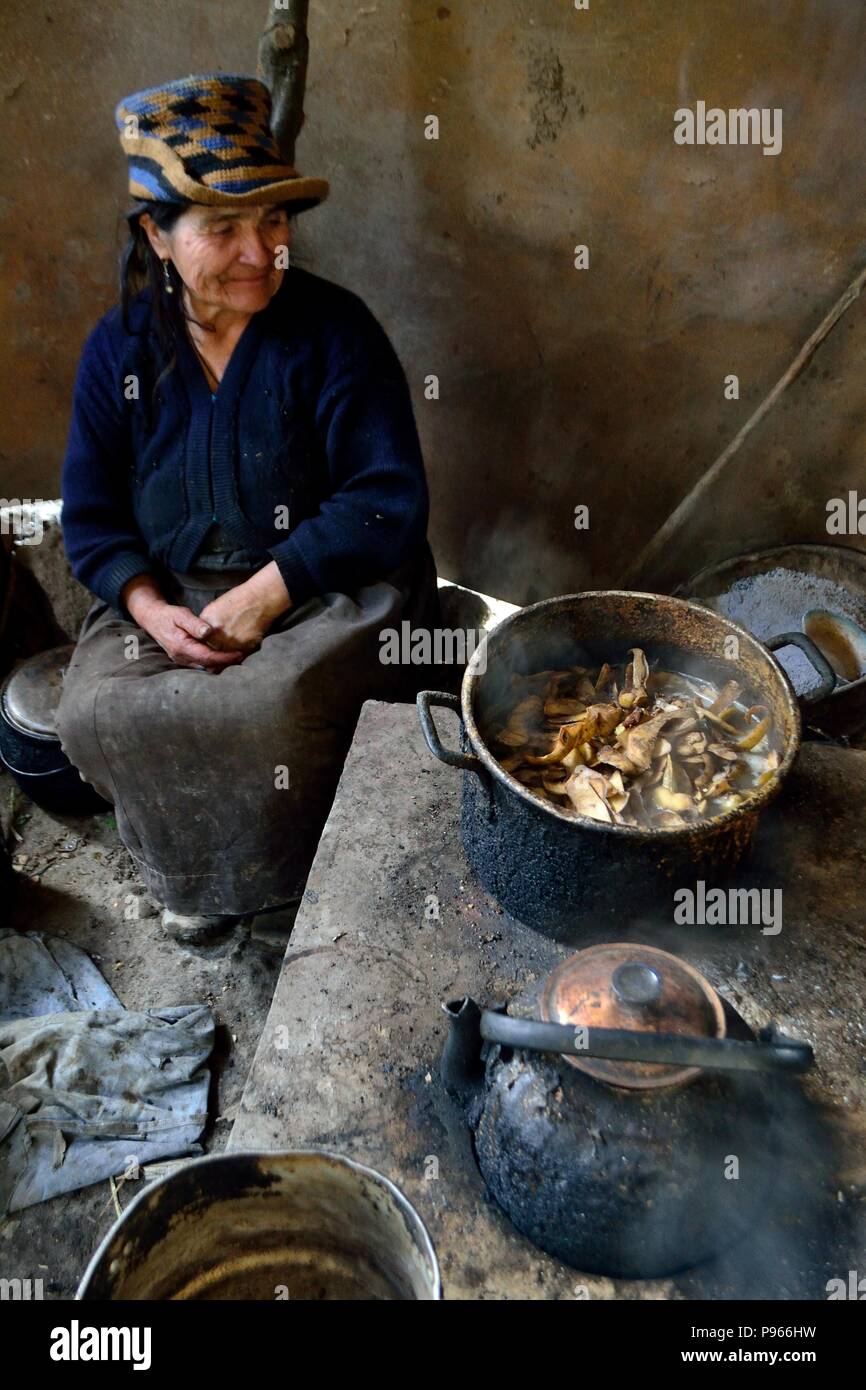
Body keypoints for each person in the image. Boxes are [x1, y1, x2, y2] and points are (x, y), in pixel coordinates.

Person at [57, 73, 438, 945]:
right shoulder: (116, 350)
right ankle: (199, 876)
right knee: (95, 709)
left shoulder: (334, 332)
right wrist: (153, 610)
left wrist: (266, 595)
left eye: (273, 223)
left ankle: (298, 877)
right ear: (156, 234)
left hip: (331, 587)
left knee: (265, 706)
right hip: (174, 592)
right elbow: (92, 516)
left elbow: (387, 501)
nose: (261, 251)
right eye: (223, 229)